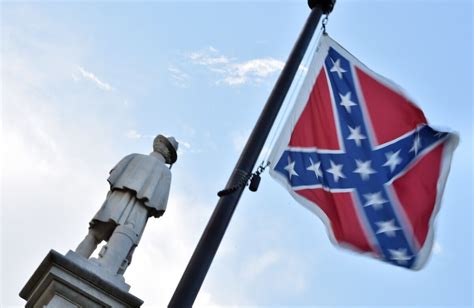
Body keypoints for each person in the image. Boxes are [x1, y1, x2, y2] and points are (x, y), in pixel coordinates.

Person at [75, 134, 178, 275]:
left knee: (94, 234)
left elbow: (114, 176)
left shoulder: (133, 156)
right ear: (169, 156)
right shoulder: (165, 173)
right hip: (138, 211)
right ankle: (107, 267)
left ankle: (79, 256)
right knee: (126, 231)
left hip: (117, 199)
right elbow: (159, 205)